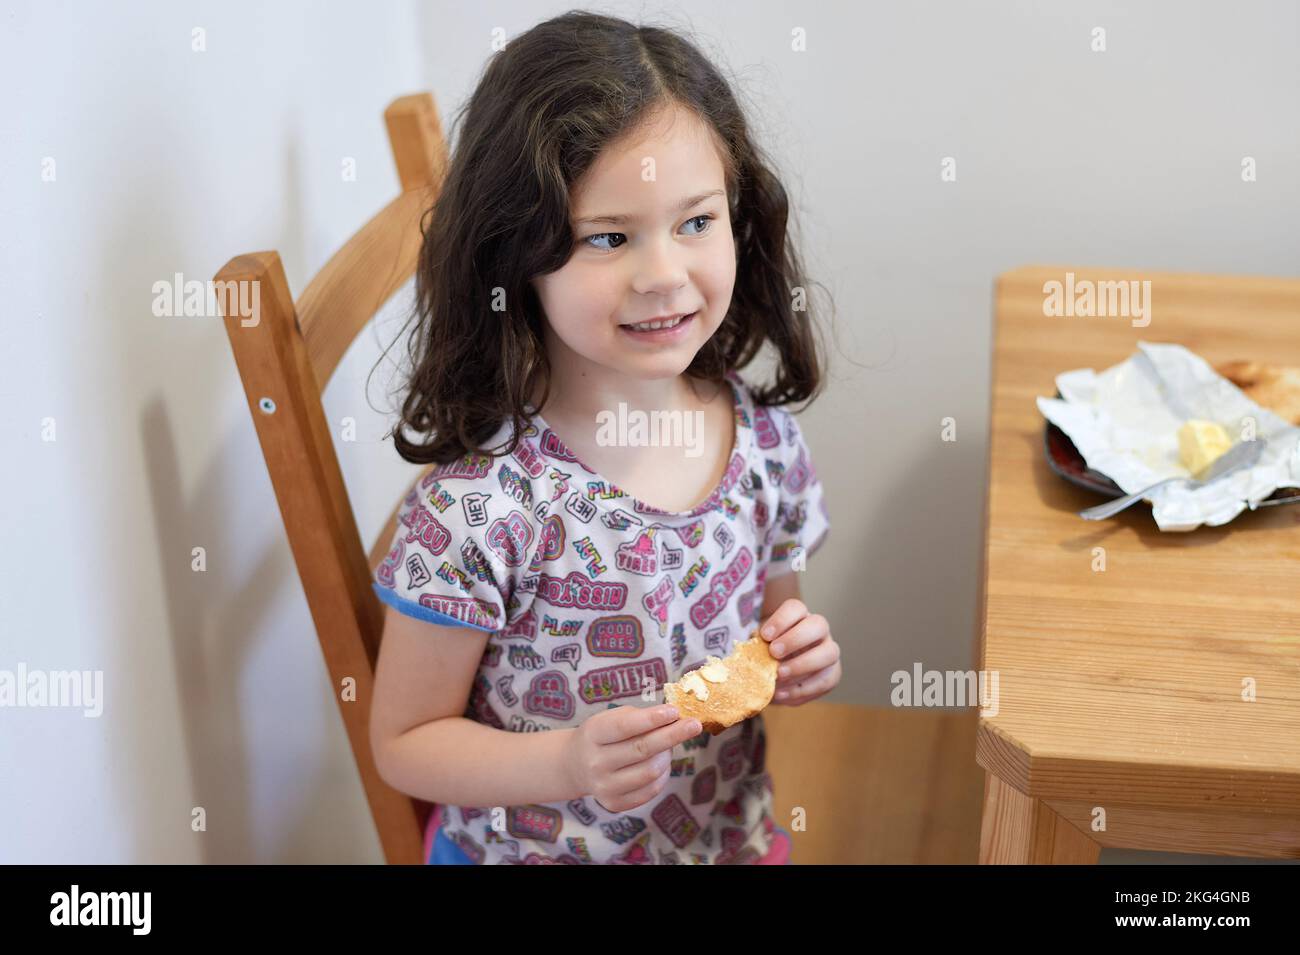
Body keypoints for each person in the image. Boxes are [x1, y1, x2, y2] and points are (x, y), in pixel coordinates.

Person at [368, 10, 837, 865]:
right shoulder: (478, 509)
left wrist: (795, 650)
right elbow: (404, 739)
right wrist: (567, 759)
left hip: (721, 838)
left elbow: (772, 620)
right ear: (519, 255)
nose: (663, 274)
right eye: (609, 237)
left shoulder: (763, 445)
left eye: (695, 221)